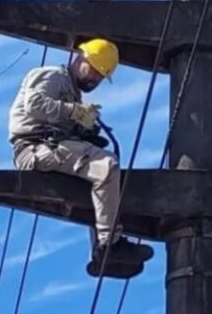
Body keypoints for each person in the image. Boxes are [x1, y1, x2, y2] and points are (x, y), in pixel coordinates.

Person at [8, 39, 152, 278]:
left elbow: (60, 120)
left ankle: (101, 253)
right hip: (35, 147)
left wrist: (85, 131)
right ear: (80, 58)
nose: (95, 79)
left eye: (100, 76)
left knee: (95, 179)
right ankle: (110, 245)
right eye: (94, 69)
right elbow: (34, 105)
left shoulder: (72, 94)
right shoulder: (52, 75)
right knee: (106, 166)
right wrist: (74, 113)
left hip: (50, 146)